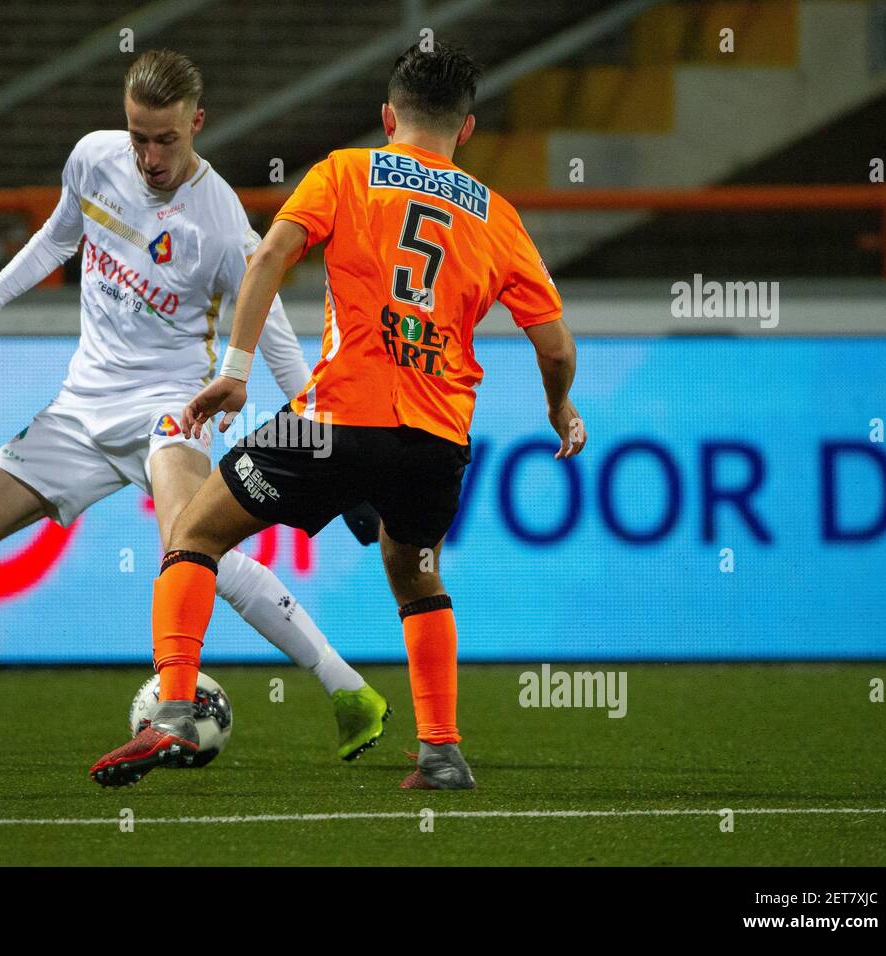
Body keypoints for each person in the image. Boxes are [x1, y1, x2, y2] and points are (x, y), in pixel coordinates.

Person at [0, 49, 390, 769]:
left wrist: (335, 458)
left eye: (165, 139)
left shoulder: (222, 221)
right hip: (78, 410)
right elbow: (57, 233)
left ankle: (346, 690)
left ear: (197, 124)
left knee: (192, 547)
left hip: (171, 411)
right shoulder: (94, 160)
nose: (148, 155)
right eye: (138, 135)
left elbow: (280, 348)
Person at [90, 41, 585, 791]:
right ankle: (443, 752)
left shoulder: (347, 171)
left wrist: (234, 371)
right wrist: (559, 408)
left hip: (330, 417)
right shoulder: (499, 217)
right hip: (437, 439)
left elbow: (268, 257)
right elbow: (554, 345)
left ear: (388, 116)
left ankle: (175, 710)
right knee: (416, 571)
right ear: (468, 130)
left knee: (193, 529)